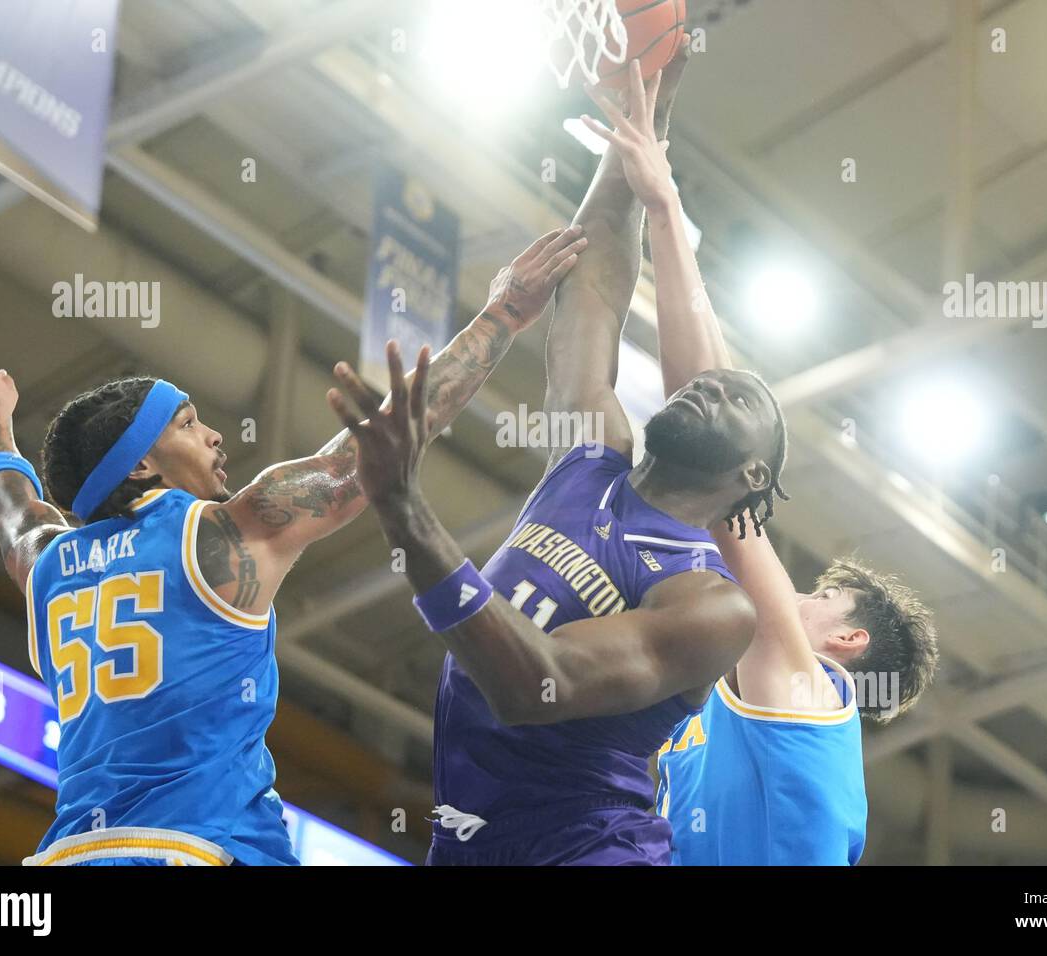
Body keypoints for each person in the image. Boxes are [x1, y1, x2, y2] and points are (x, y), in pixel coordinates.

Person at [0, 228, 584, 866]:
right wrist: (503, 315)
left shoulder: (46, 564)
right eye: (186, 424)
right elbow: (370, 456)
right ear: (140, 467)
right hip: (199, 849)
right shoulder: (219, 538)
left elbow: (10, 505)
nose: (212, 435)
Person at [326, 55, 787, 866]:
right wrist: (647, 109)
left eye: (742, 400)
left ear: (752, 477)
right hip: (473, 841)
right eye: (712, 381)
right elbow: (598, 280)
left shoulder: (713, 606)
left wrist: (403, 504)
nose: (713, 388)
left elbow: (537, 685)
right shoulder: (591, 454)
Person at [580, 50, 939, 865]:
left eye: (813, 597)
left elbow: (716, 432)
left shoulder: (809, 695)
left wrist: (667, 207)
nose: (789, 594)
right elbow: (719, 424)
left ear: (845, 644)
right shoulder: (745, 715)